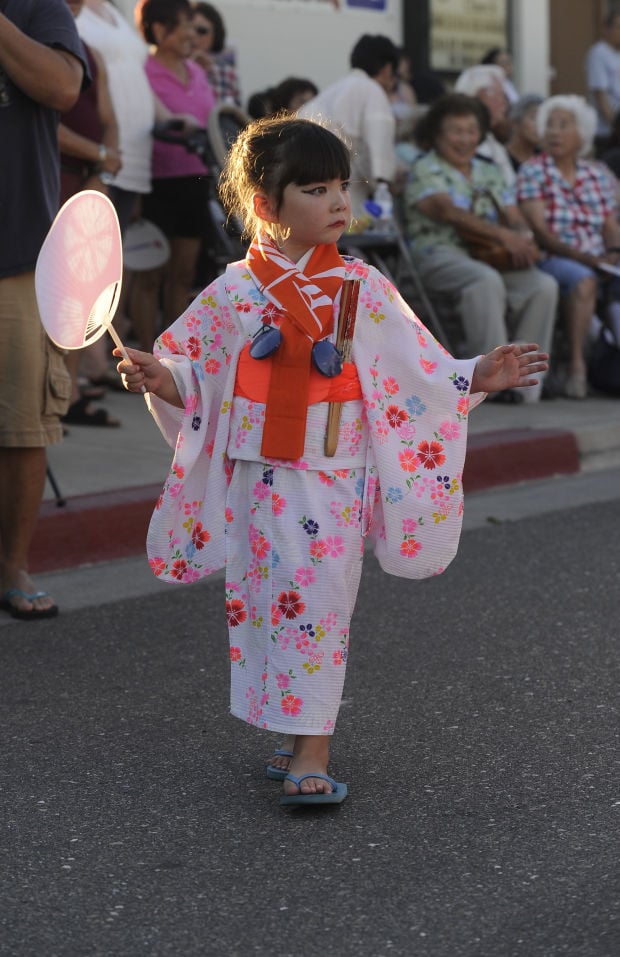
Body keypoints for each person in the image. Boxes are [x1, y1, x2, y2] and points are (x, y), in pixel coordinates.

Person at [114, 116, 547, 804]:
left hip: (330, 478)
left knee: (316, 603)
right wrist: (160, 377)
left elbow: (416, 371)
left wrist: (472, 373)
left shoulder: (364, 288)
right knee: (261, 600)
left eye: (343, 186)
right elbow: (196, 376)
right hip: (255, 476)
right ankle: (290, 727)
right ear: (265, 205)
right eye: (316, 188)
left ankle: (312, 748)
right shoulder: (232, 291)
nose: (339, 202)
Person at [0, 0, 87, 620]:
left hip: (18, 255)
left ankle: (12, 568)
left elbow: (61, 86)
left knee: (22, 426)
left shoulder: (36, 7)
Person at [404, 93, 557, 401]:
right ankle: (493, 383)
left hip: (491, 257)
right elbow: (448, 212)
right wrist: (504, 237)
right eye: (455, 131)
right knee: (483, 281)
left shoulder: (488, 170)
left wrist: (523, 237)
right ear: (437, 135)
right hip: (440, 255)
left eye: (471, 131)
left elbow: (513, 216)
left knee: (543, 285)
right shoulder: (425, 168)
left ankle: (526, 385)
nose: (464, 139)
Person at [517, 95, 620, 399]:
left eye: (564, 125)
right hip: (554, 257)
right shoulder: (533, 171)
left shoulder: (597, 173)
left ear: (582, 134)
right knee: (583, 280)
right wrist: (588, 259)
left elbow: (610, 224)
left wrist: (612, 254)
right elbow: (540, 232)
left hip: (599, 257)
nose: (554, 132)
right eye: (549, 124)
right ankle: (578, 366)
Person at [130, 0, 216, 351]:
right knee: (149, 274)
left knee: (183, 274)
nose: (194, 36)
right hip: (155, 182)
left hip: (195, 179)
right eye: (187, 26)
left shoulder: (197, 71)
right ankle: (143, 355)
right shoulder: (141, 70)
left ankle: (174, 356)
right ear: (161, 29)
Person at [59, 0, 122, 428]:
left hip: (87, 183)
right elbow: (44, 125)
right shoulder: (27, 48)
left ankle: (67, 394)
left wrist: (100, 169)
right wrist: (99, 156)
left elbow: (108, 119)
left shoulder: (87, 53)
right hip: (48, 180)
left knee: (80, 295)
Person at [298, 34, 399, 219]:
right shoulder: (373, 91)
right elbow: (379, 156)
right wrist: (387, 185)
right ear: (387, 69)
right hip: (340, 196)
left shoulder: (333, 90)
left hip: (303, 190)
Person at [454, 64, 514, 187]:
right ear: (481, 96)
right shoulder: (458, 144)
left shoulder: (494, 143)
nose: (505, 104)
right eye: (501, 96)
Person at [190, 1, 241, 106]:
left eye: (201, 30)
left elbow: (234, 112)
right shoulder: (174, 66)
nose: (193, 35)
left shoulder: (226, 72)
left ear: (215, 35)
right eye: (189, 29)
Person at [585, 9, 620, 156]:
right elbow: (601, 96)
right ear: (606, 28)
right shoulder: (598, 54)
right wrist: (615, 128)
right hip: (607, 132)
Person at [506, 94, 543, 173]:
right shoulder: (500, 158)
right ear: (515, 123)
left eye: (543, 119)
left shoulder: (545, 159)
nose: (539, 125)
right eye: (533, 117)